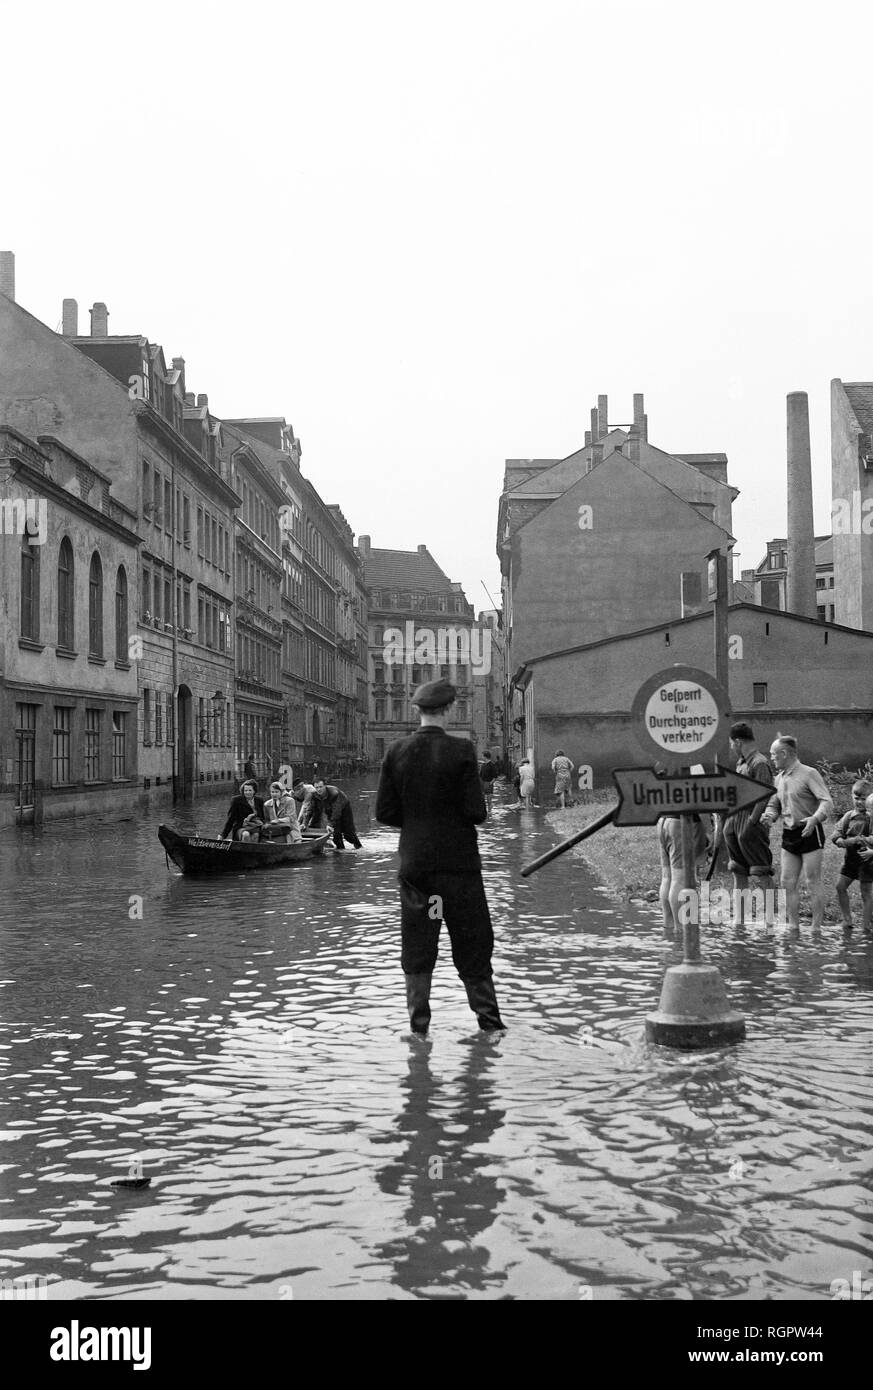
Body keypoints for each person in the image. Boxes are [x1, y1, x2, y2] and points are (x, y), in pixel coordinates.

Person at [375, 676, 505, 1035]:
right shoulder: (462, 752)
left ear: (417, 711)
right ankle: (490, 1026)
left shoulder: (396, 752)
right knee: (472, 941)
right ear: (448, 710)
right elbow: (477, 812)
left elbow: (384, 813)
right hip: (459, 868)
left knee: (419, 942)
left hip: (418, 869)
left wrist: (417, 825)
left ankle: (419, 1030)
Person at [759, 735, 833, 930]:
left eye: (774, 755)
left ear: (785, 754)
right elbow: (773, 804)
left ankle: (816, 928)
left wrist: (815, 819)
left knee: (812, 880)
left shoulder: (809, 774)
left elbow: (827, 801)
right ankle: (793, 927)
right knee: (786, 881)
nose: (772, 758)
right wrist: (769, 815)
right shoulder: (779, 778)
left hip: (810, 830)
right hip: (789, 833)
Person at [719, 722, 775, 922]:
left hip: (750, 825)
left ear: (738, 741)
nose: (732, 747)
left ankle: (770, 922)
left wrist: (752, 821)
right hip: (734, 823)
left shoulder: (759, 763)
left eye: (732, 743)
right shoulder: (741, 763)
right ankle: (739, 922)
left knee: (761, 872)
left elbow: (764, 794)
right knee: (738, 871)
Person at [657, 812, 709, 939]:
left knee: (667, 878)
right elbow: (701, 802)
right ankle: (681, 930)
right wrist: (709, 831)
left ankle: (669, 928)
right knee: (680, 880)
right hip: (682, 823)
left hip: (663, 821)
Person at [833, 781, 873, 930]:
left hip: (867, 860)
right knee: (840, 886)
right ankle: (847, 920)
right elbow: (837, 831)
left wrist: (858, 840)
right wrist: (838, 839)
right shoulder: (849, 816)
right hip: (850, 860)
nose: (859, 802)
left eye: (863, 798)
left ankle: (866, 926)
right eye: (856, 798)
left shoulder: (871, 817)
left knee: (866, 893)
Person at [308, 779, 363, 849]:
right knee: (336, 836)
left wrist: (330, 824)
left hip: (344, 808)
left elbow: (337, 811)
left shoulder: (334, 793)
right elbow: (310, 810)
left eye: (321, 787)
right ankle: (341, 852)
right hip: (330, 810)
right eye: (317, 787)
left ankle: (359, 847)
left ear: (325, 786)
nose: (319, 789)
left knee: (349, 835)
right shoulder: (314, 794)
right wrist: (304, 823)